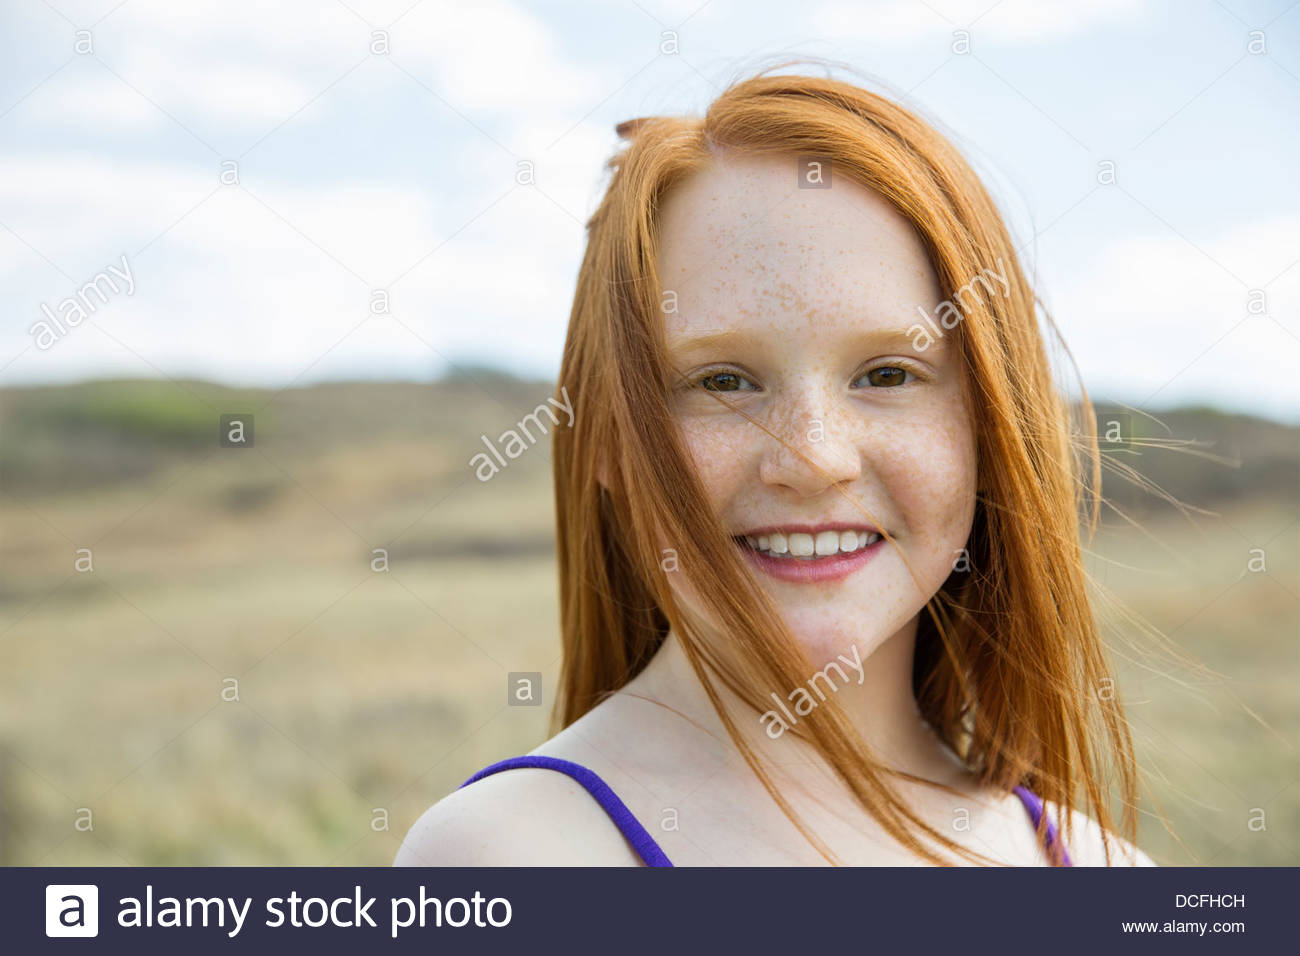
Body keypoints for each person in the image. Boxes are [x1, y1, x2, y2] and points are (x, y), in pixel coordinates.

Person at [395, 65, 1156, 867]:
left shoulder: (1100, 866)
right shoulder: (511, 857)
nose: (815, 459)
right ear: (608, 442)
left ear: (994, 431)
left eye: (888, 374)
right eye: (722, 382)